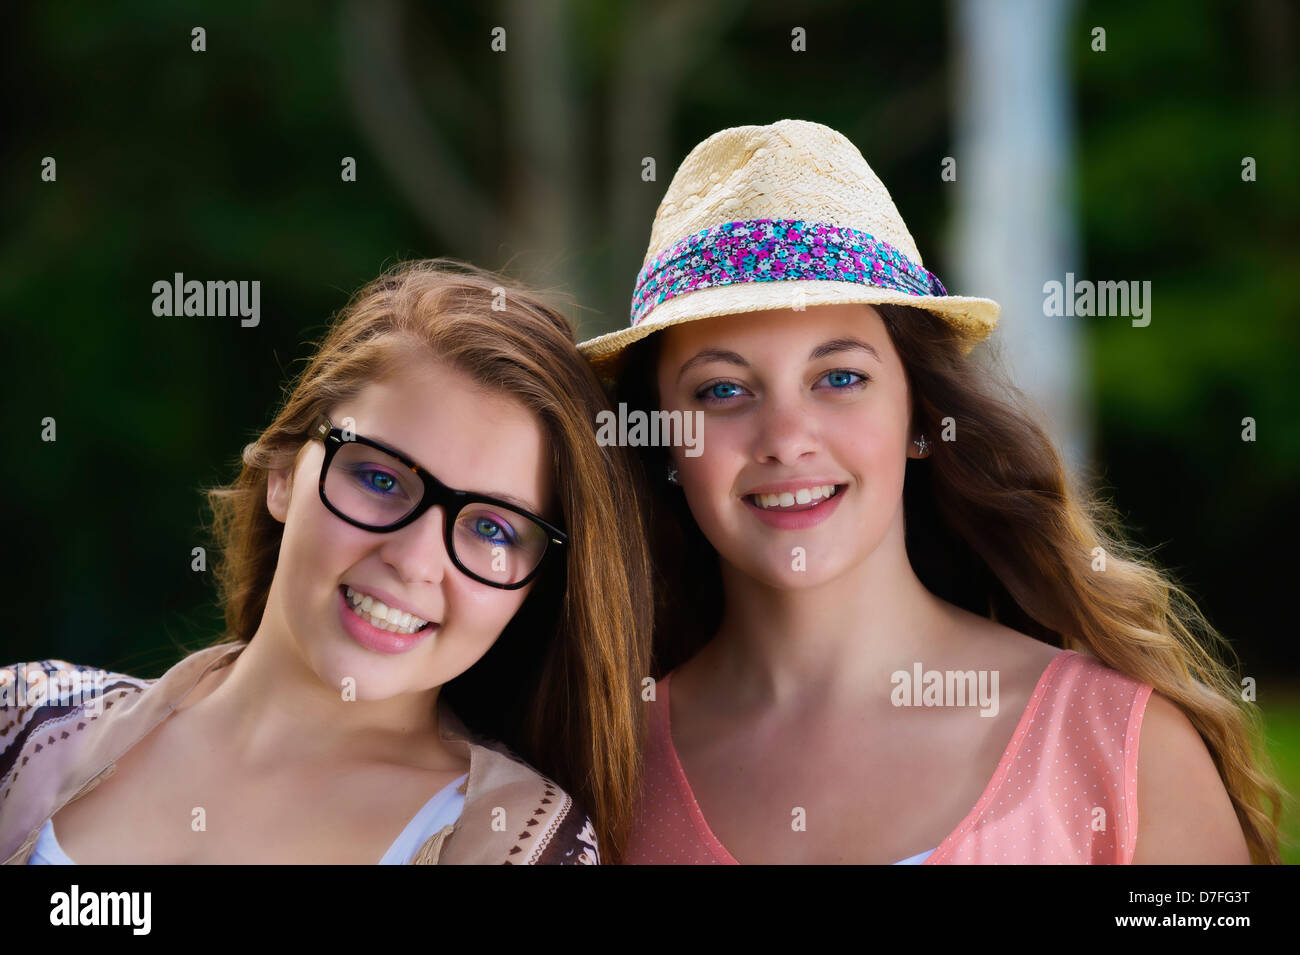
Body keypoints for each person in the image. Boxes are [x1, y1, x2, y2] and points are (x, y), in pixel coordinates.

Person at [580, 119, 1283, 864]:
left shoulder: (1122, 749)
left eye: (840, 378)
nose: (787, 437)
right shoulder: (598, 777)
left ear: (919, 414)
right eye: (722, 389)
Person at [1, 258, 653, 865]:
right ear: (284, 469)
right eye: (379, 479)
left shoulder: (521, 843)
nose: (414, 560)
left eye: (493, 527)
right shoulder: (24, 727)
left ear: (535, 584)